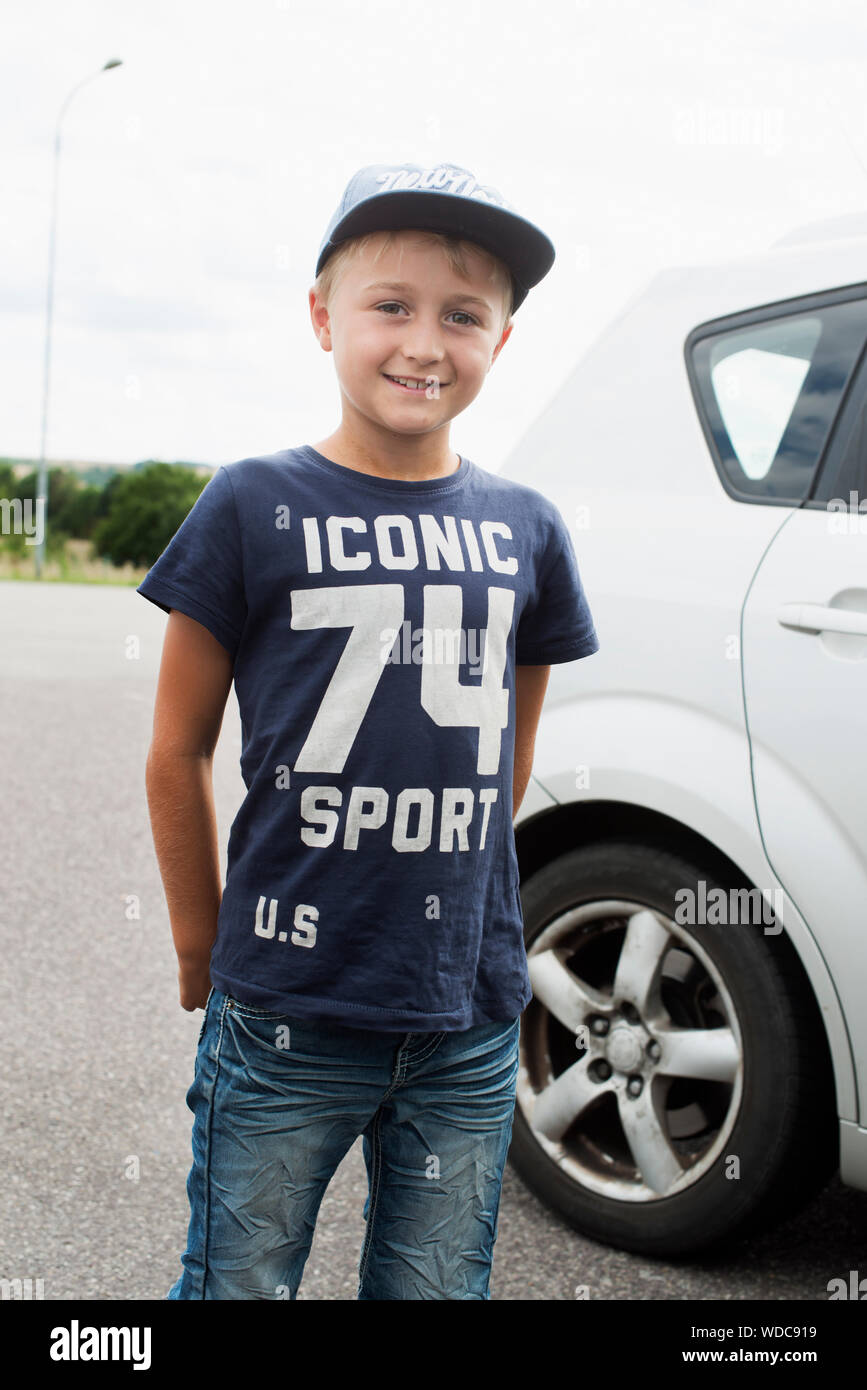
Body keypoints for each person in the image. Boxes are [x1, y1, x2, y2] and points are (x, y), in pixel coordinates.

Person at [137, 160, 600, 1300]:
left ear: (502, 339)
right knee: (241, 1280)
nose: (423, 342)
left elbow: (506, 760)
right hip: (287, 1008)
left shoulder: (528, 529)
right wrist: (203, 944)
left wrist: (475, 935)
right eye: (389, 305)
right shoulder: (249, 502)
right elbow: (177, 749)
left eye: (463, 315)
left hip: (469, 1015)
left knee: (437, 1287)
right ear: (321, 315)